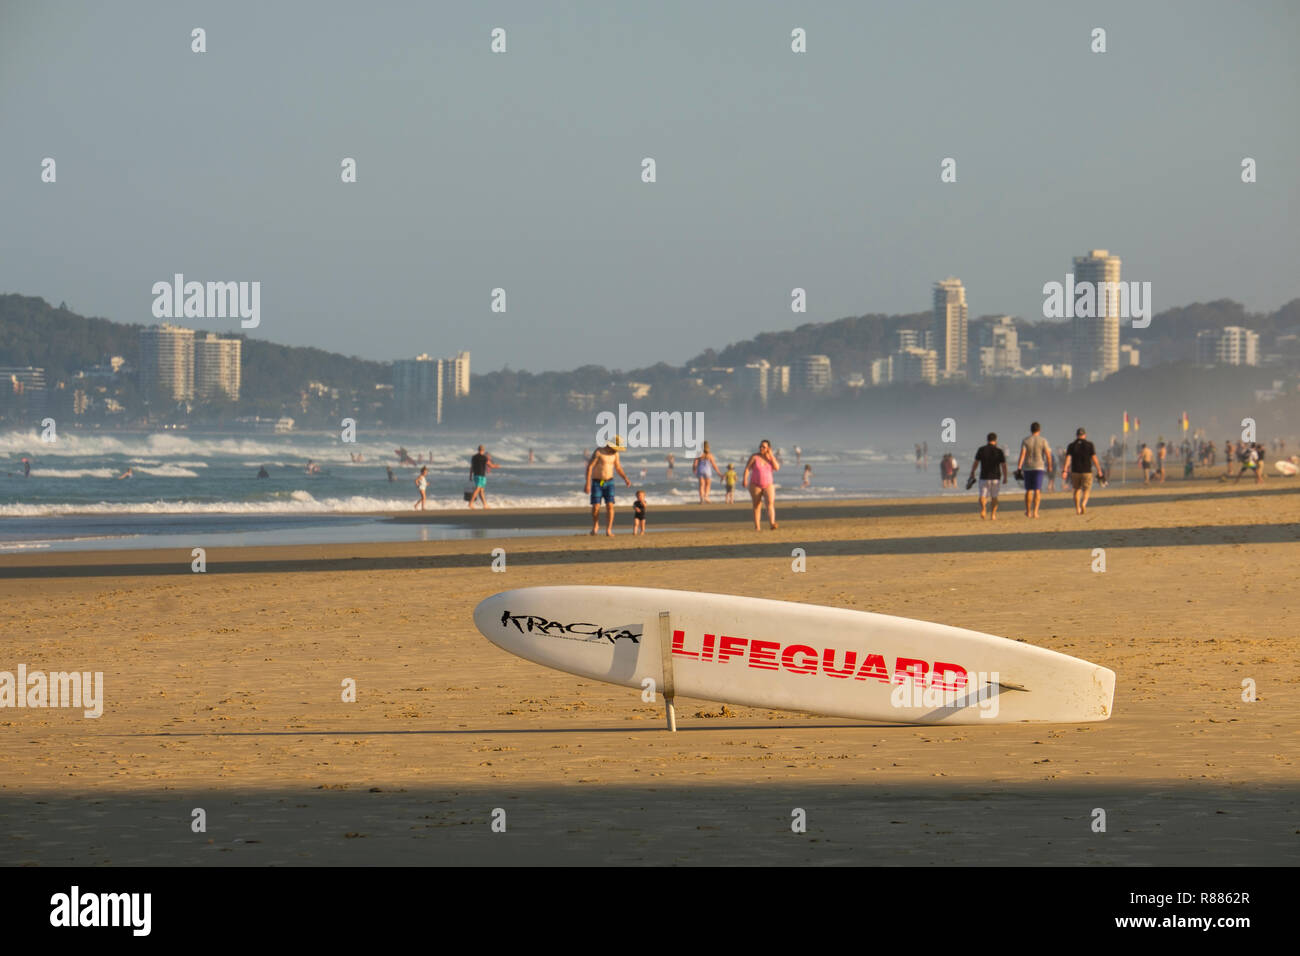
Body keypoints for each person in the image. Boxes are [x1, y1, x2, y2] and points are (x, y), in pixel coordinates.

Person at [585, 436, 631, 535]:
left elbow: (618, 467)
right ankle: (595, 526)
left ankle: (608, 529)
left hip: (609, 482)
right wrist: (588, 483)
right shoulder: (599, 452)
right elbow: (590, 467)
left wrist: (625, 478)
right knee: (596, 506)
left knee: (610, 505)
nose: (616, 450)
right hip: (598, 482)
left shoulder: (615, 454)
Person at [1063, 427, 1103, 515]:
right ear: (1084, 435)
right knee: (1086, 490)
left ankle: (1077, 509)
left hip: (1075, 471)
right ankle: (1083, 504)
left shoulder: (1071, 445)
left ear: (1077, 435)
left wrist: (1065, 471)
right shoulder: (1089, 445)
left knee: (1076, 489)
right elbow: (1094, 458)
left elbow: (1068, 459)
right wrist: (1099, 470)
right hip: (1087, 471)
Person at [743, 439, 781, 530]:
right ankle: (757, 526)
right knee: (757, 505)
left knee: (770, 503)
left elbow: (777, 467)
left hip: (768, 484)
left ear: (768, 448)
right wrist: (745, 479)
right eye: (760, 446)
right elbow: (747, 469)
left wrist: (771, 455)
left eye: (763, 447)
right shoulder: (754, 457)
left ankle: (772, 523)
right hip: (755, 484)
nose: (761, 448)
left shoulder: (770, 458)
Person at [1016, 422, 1052, 518]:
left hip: (1028, 467)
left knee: (1028, 490)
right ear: (1039, 430)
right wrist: (1049, 466)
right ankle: (1035, 512)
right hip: (1039, 467)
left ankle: (1028, 511)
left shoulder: (1026, 440)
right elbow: (1048, 455)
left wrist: (1019, 467)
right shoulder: (1043, 440)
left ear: (1031, 430)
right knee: (1037, 490)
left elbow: (1022, 455)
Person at [968, 433, 1007, 520]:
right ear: (995, 440)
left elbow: (976, 462)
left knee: (982, 495)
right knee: (994, 497)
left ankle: (983, 509)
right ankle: (993, 515)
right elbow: (1003, 465)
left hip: (984, 477)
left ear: (987, 439)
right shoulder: (999, 451)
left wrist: (972, 472)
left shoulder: (981, 450)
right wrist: (1005, 476)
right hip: (996, 477)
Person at [468, 445, 499, 509]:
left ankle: (485, 505)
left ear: (478, 449)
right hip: (481, 475)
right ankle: (470, 503)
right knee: (477, 489)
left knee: (481, 491)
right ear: (483, 450)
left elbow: (472, 467)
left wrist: (470, 476)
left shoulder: (474, 457)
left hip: (476, 475)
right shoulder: (485, 458)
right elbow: (491, 466)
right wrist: (497, 466)